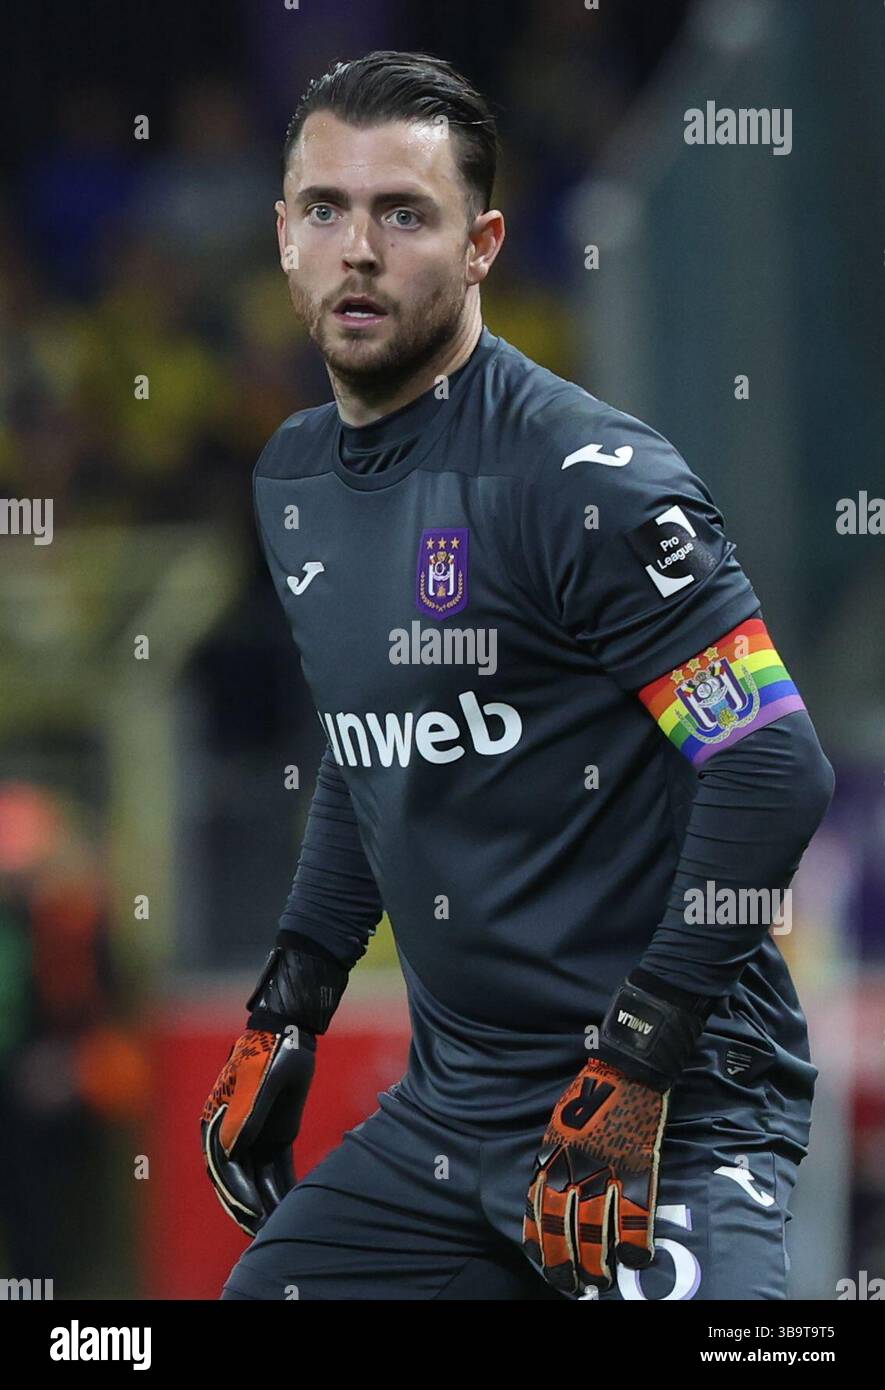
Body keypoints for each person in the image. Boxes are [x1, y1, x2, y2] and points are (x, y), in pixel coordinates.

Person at [202, 50, 834, 1301]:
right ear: (283, 236)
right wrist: (292, 1001)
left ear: (484, 242)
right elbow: (368, 744)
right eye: (326, 209)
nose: (358, 249)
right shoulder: (291, 477)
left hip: (672, 1111)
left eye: (405, 212)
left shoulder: (585, 476)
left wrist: (640, 1063)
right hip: (448, 1120)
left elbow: (770, 762)